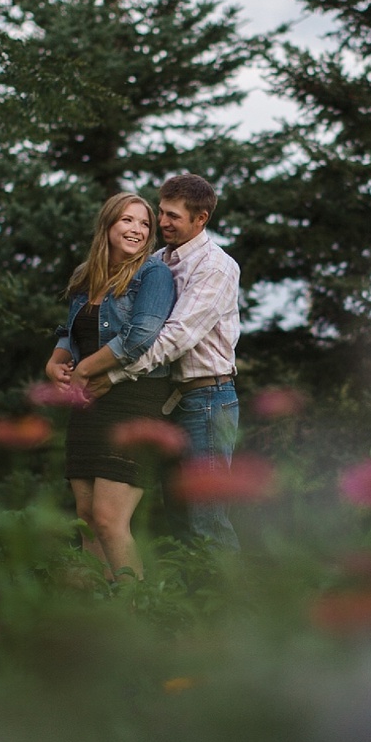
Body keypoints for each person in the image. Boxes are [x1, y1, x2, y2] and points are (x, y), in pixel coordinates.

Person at [80, 174, 241, 550]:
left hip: (208, 401)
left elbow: (174, 338)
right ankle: (190, 608)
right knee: (180, 519)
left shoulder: (215, 267)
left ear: (200, 219)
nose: (162, 222)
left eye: (173, 216)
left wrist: (112, 374)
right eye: (161, 212)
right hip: (168, 401)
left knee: (208, 520)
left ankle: (232, 607)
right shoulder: (156, 262)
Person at [46, 192, 176, 581]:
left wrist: (85, 369)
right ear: (108, 224)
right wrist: (56, 358)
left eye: (144, 223)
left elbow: (141, 335)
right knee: (87, 520)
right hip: (88, 406)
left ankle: (138, 617)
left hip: (133, 400)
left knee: (109, 519)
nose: (137, 229)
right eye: (127, 220)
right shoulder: (88, 274)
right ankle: (101, 623)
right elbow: (73, 330)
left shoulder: (153, 274)